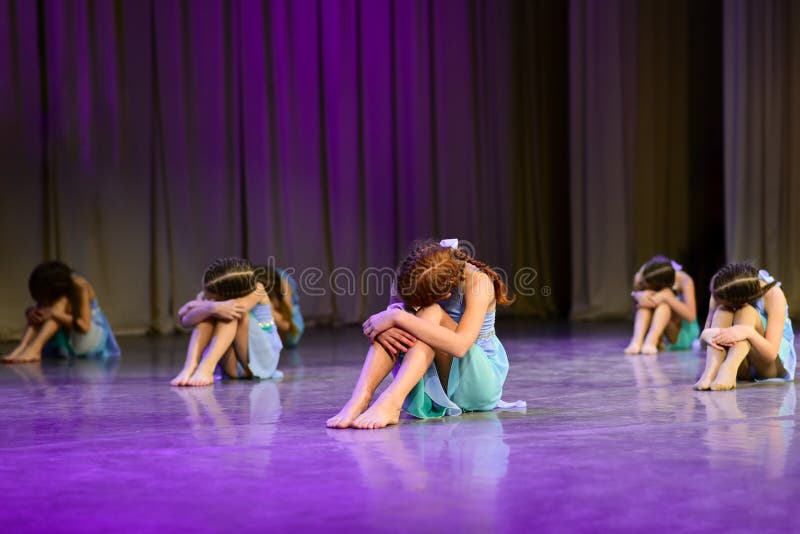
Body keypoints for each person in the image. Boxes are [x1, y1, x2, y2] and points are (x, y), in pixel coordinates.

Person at [327, 239, 519, 430]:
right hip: (436, 375)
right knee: (398, 317)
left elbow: (460, 346)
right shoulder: (411, 274)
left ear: (445, 295)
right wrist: (385, 327)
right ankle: (361, 397)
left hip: (478, 383)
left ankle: (392, 400)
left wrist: (397, 317)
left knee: (426, 313)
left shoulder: (478, 281)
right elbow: (389, 325)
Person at [170, 257, 282, 386]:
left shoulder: (258, 289)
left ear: (225, 293)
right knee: (209, 316)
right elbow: (185, 320)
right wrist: (211, 307)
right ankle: (190, 366)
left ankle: (207, 367)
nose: (204, 293)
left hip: (263, 361)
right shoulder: (215, 294)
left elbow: (235, 308)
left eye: (209, 294)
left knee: (233, 314)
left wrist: (199, 306)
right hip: (234, 366)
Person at [694, 263, 796, 391]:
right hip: (743, 368)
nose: (713, 298)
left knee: (747, 312)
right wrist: (705, 336)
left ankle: (728, 369)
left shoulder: (774, 295)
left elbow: (770, 354)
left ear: (739, 300)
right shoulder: (720, 291)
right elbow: (704, 345)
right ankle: (711, 372)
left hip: (768, 367)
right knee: (722, 311)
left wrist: (748, 332)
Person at [2, 261, 119, 363]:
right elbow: (43, 309)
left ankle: (35, 349)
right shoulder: (54, 292)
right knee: (42, 310)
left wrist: (54, 313)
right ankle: (22, 348)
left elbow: (84, 326)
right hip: (68, 337)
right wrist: (30, 312)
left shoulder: (79, 285)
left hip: (88, 336)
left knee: (59, 305)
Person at [624, 256, 698, 355]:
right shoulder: (640, 277)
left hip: (679, 330)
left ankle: (651, 341)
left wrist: (667, 298)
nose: (641, 281)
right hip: (653, 326)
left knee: (664, 305)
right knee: (645, 305)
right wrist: (637, 296)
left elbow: (691, 316)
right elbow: (635, 311)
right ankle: (636, 342)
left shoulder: (684, 279)